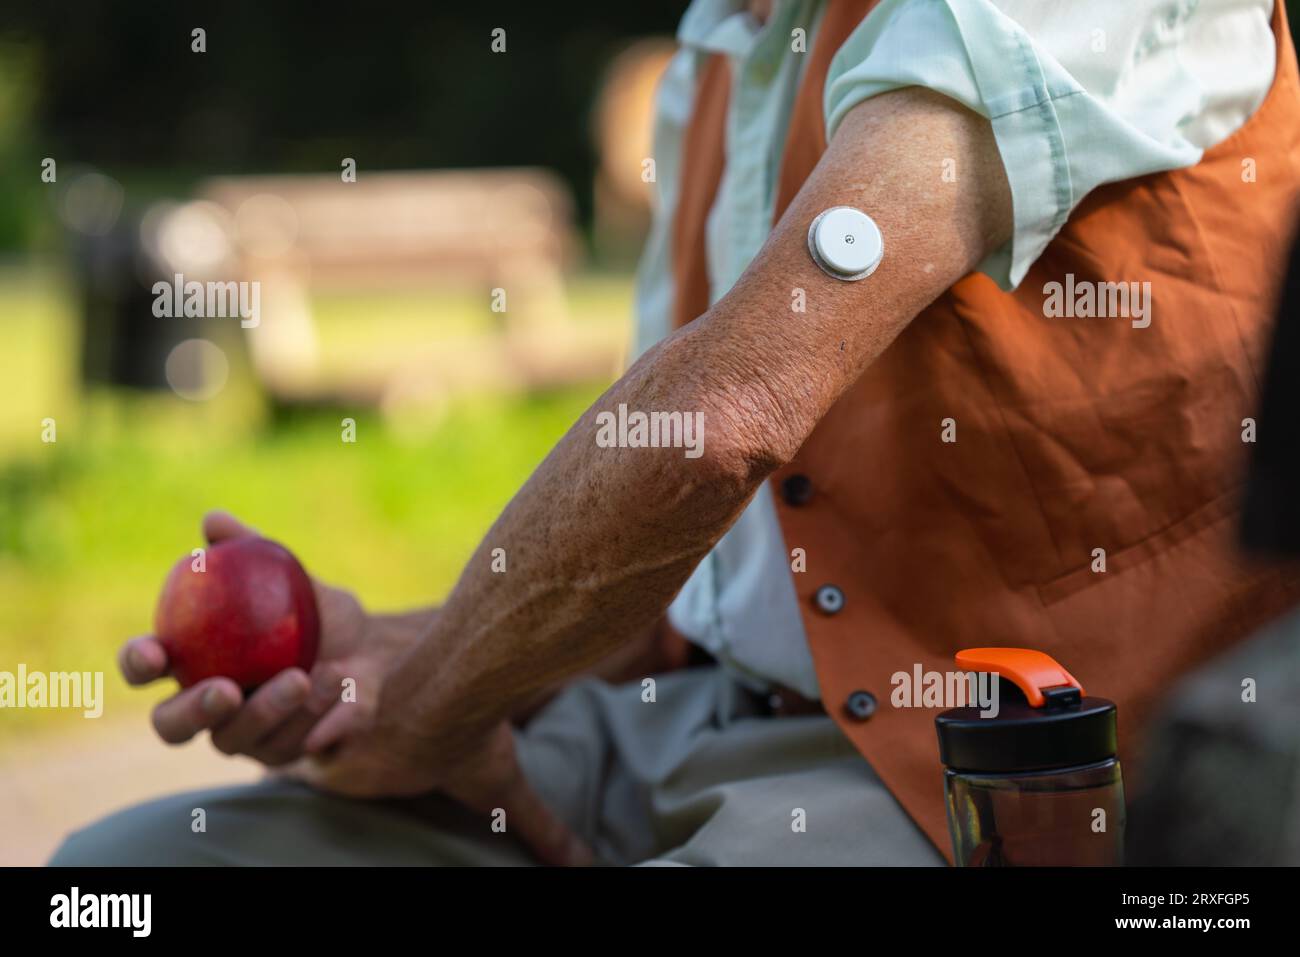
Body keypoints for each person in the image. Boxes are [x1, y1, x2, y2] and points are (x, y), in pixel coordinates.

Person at [52, 0, 1300, 866]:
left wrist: (427, 705)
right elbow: (710, 546)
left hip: (977, 780)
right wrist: (397, 662)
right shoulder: (724, 47)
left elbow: (721, 416)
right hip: (678, 715)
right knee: (113, 880)